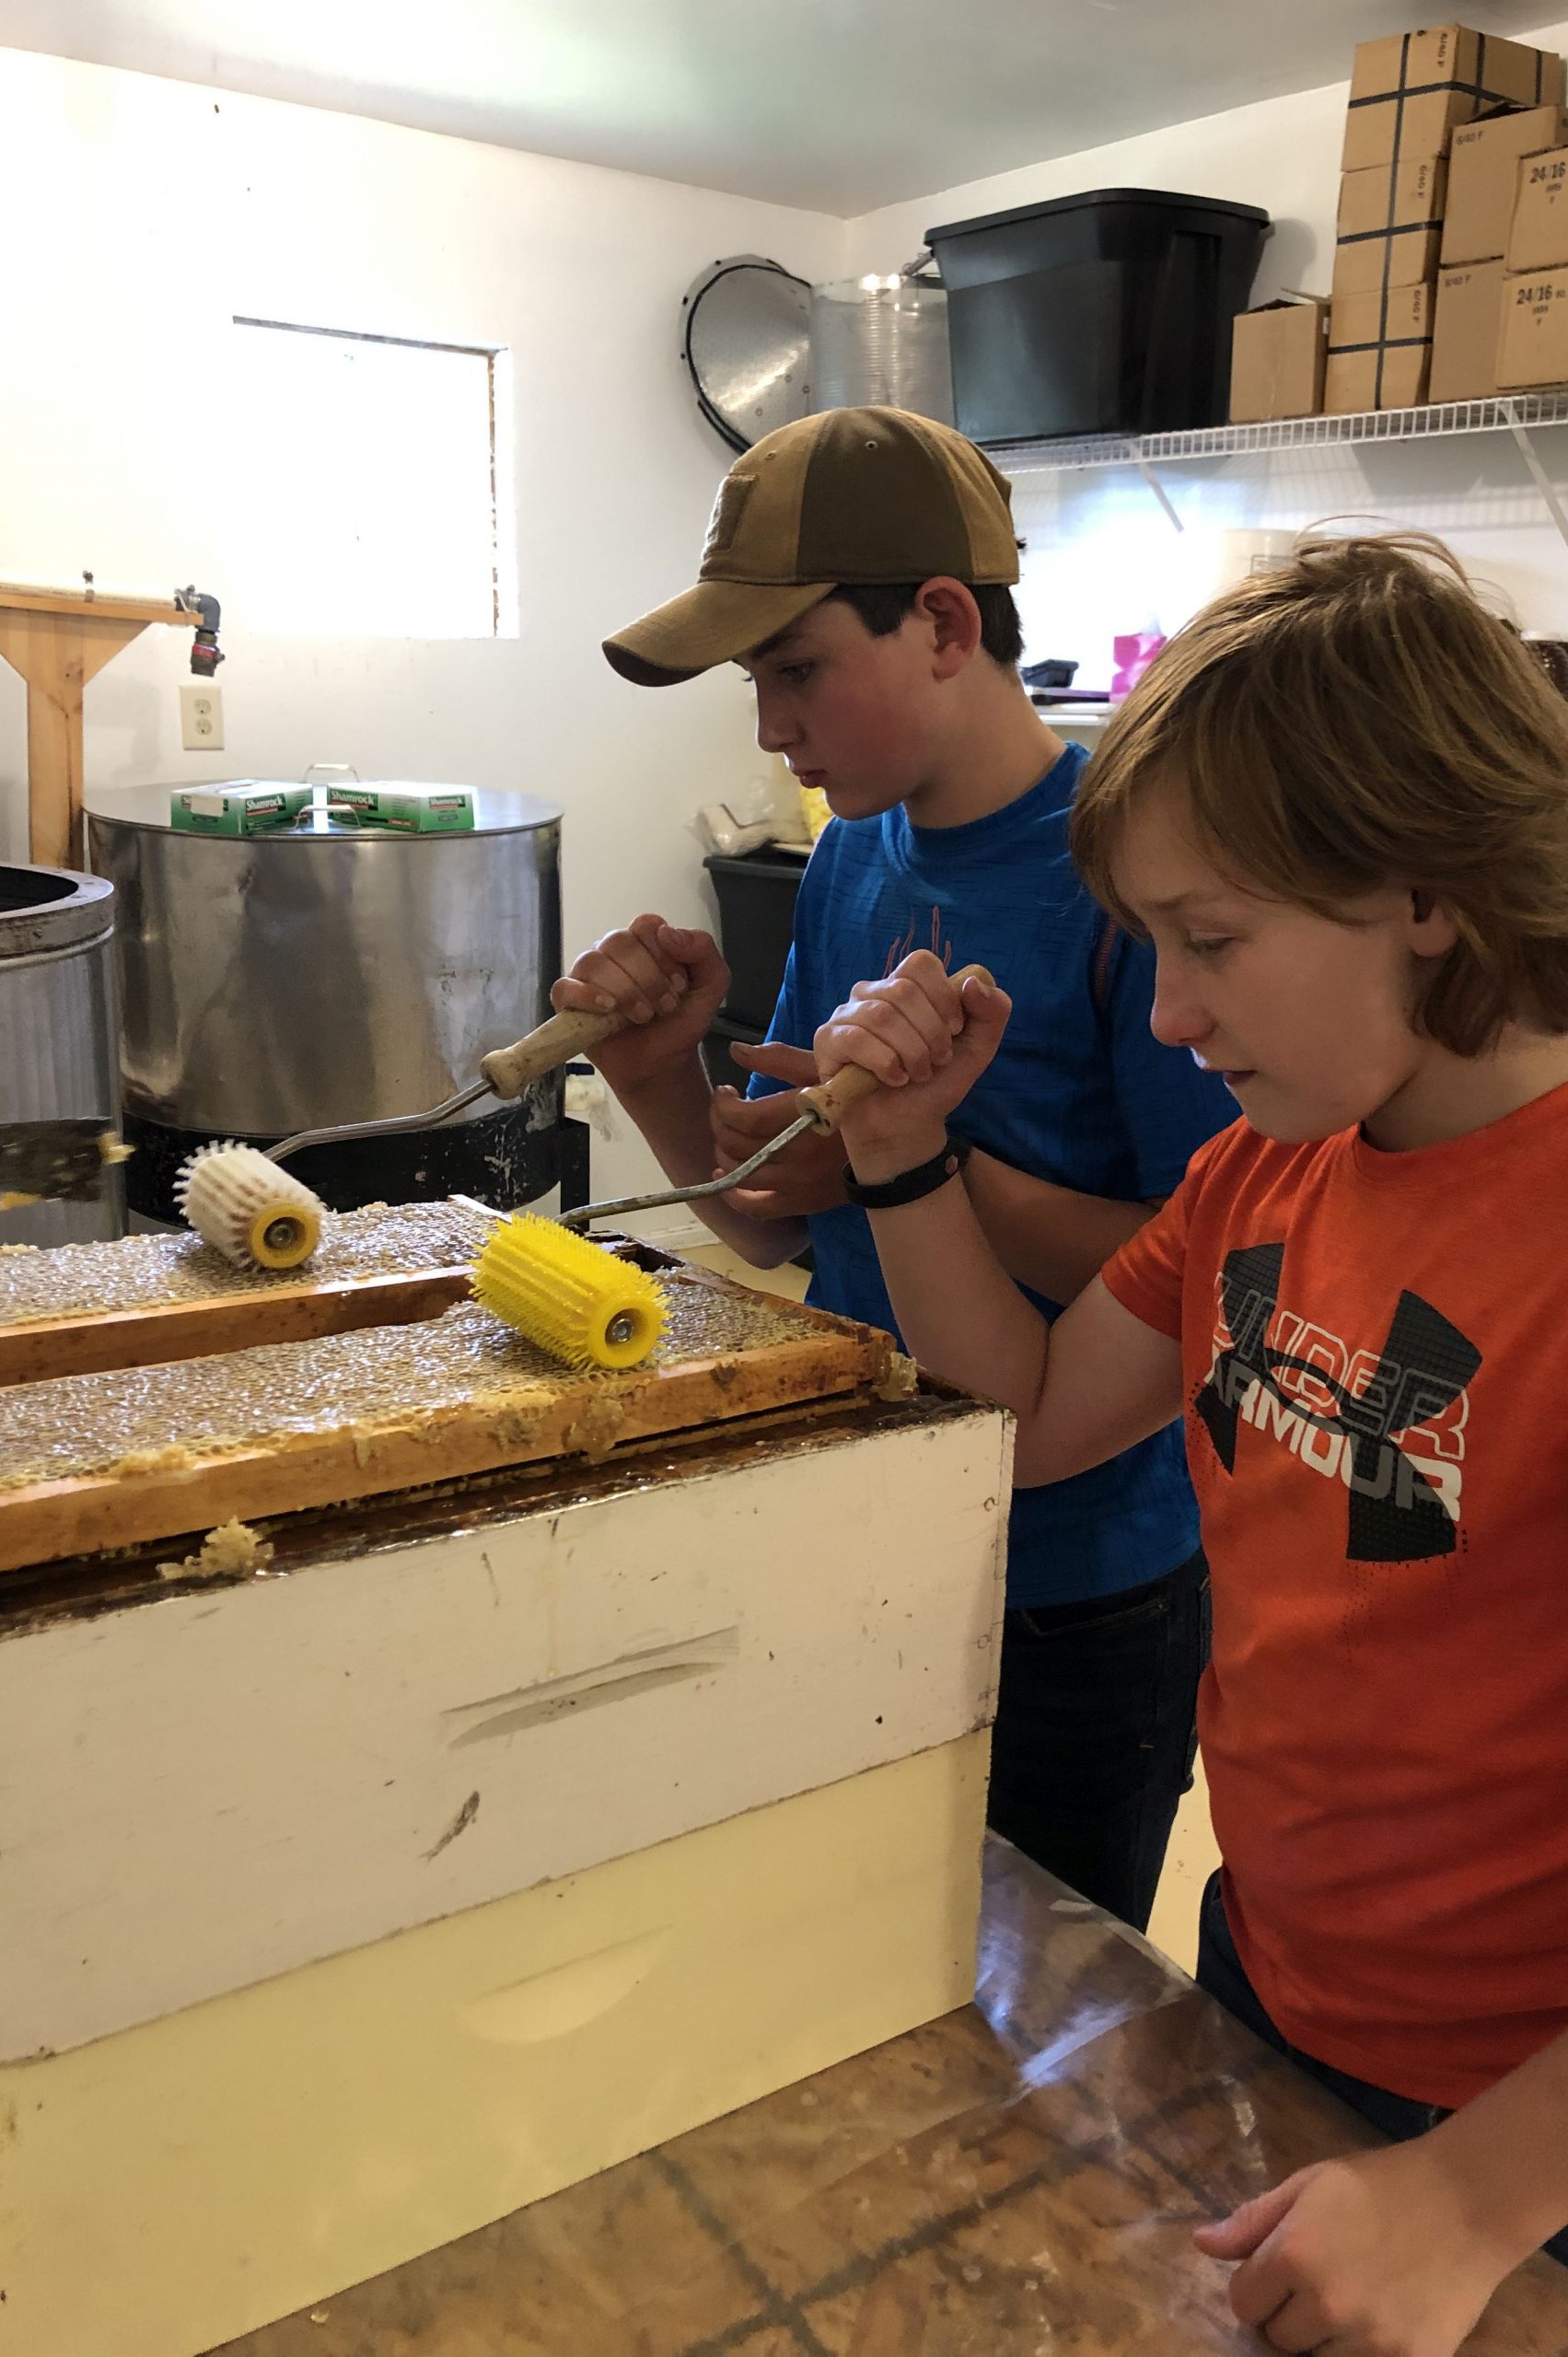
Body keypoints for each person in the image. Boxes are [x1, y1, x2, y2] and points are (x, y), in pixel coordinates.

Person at [801, 533, 1568, 2357]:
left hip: (1552, 2122)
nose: (1166, 1012)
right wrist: (905, 1152)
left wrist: (1474, 2195)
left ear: (1432, 894)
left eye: (1211, 940)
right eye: (1150, 944)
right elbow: (1040, 1416)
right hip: (1273, 1979)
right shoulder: (1266, 1169)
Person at [555, 404, 1237, 1927]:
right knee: (854, 1956)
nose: (769, 727)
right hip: (866, 1506)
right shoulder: (856, 852)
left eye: (795, 670)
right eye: (755, 682)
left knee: (1051, 2038)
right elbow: (776, 1220)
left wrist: (921, 1160)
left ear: (942, 623)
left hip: (1074, 1580)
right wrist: (659, 1070)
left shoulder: (1135, 877)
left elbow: (1217, 1278)